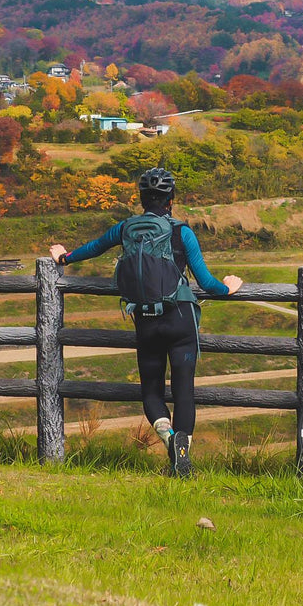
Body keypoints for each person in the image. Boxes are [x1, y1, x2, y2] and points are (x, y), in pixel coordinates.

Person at [50, 167, 243, 477]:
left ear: (141, 198)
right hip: (180, 320)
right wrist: (228, 287)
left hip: (146, 322)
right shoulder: (182, 232)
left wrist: (63, 257)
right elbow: (206, 282)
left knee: (151, 392)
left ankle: (169, 440)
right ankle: (183, 455)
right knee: (183, 391)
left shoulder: (125, 228)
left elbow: (92, 248)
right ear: (171, 199)